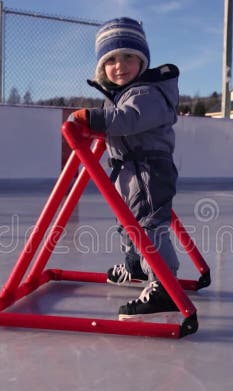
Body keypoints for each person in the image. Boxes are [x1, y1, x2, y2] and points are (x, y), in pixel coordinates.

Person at [68, 17, 181, 321]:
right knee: (128, 224)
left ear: (142, 60)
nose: (120, 65)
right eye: (112, 59)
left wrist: (93, 119)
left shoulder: (147, 92)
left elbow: (128, 119)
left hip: (148, 169)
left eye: (129, 56)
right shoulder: (123, 94)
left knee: (147, 226)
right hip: (129, 170)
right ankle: (136, 266)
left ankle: (165, 284)